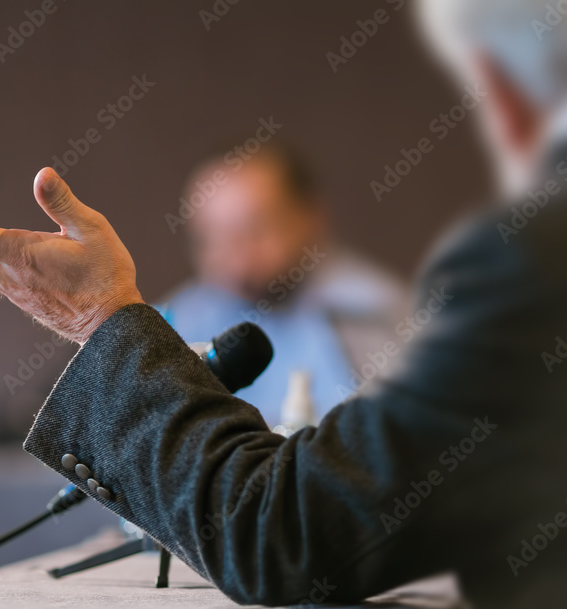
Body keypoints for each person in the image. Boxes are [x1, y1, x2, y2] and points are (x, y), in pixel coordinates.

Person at [0, 0, 567, 609]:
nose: (237, 254)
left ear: (500, 87)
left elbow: (284, 528)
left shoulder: (551, 258)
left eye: (257, 227)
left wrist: (101, 317)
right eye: (215, 235)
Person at [160, 144, 405, 426]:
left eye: (255, 232)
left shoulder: (365, 314)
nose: (236, 263)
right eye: (213, 240)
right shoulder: (184, 316)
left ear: (311, 215)